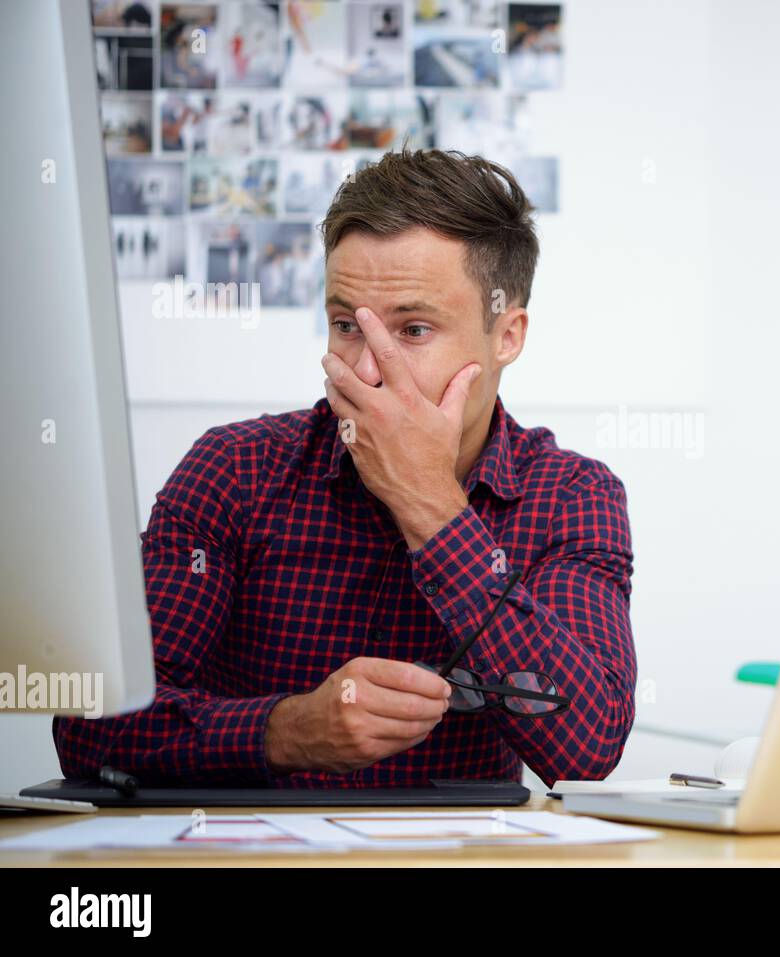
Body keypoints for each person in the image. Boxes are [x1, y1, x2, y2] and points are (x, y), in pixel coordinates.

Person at [53, 150, 637, 789]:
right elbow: (90, 723)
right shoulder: (234, 470)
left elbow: (589, 744)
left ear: (507, 335)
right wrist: (290, 730)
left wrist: (430, 506)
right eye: (344, 325)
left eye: (412, 330)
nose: (364, 370)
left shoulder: (570, 494)